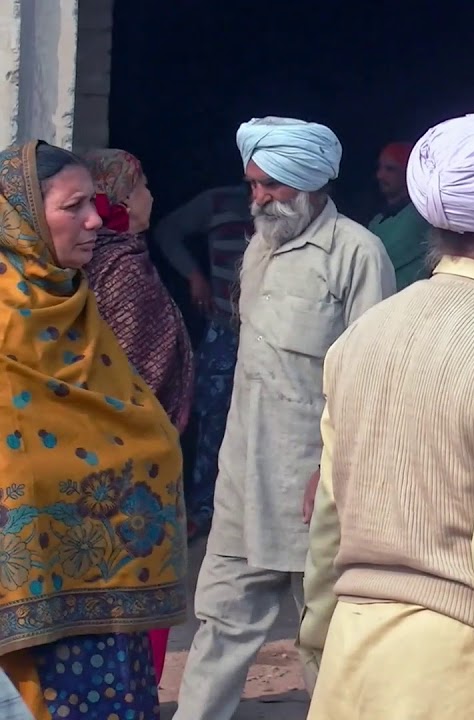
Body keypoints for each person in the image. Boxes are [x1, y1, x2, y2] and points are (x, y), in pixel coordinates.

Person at [300, 103, 474, 720]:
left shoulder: (360, 339)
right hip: (457, 674)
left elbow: (328, 523)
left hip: (351, 660)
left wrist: (320, 644)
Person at [173, 117, 396, 720]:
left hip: (311, 485)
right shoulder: (257, 246)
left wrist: (333, 468)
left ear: (310, 181)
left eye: (271, 186)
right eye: (253, 185)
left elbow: (369, 377)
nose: (259, 199)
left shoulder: (357, 253)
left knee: (324, 635)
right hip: (242, 480)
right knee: (219, 624)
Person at [0, 141, 187, 718]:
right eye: (73, 206)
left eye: (95, 204)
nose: (93, 220)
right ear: (23, 219)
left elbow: (135, 428)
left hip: (109, 623)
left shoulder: (80, 311)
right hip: (27, 637)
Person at [82, 147, 196, 685]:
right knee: (141, 587)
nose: (152, 195)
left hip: (99, 457)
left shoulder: (90, 262)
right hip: (135, 464)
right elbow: (136, 374)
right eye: (144, 184)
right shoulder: (125, 270)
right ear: (123, 197)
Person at [151, 182, 253, 539]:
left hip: (274, 334)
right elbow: (168, 232)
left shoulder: (297, 206)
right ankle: (202, 508)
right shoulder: (219, 202)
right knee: (209, 419)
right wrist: (195, 276)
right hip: (225, 328)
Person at [368, 141, 432, 289]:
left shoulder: (420, 216)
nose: (380, 176)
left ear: (407, 172)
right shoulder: (378, 220)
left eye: (390, 169)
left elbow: (376, 259)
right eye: (380, 168)